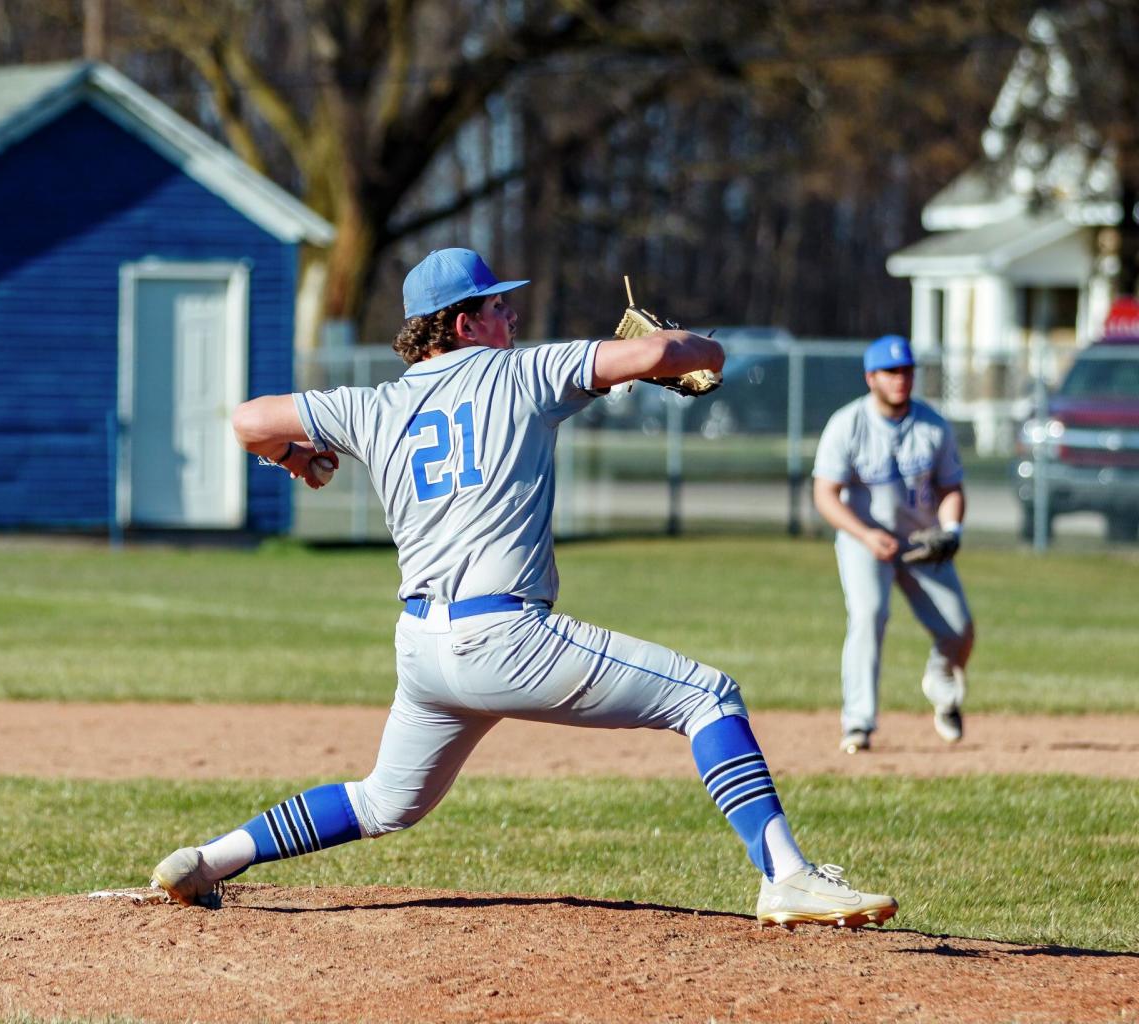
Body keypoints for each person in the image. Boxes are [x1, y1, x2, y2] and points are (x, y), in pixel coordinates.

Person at [150, 247, 897, 930]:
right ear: (463, 323)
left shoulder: (372, 406)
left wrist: (294, 457)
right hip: (505, 638)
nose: (511, 317)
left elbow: (248, 420)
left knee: (385, 801)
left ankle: (211, 859)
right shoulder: (521, 373)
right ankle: (788, 876)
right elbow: (660, 353)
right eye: (498, 306)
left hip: (423, 650)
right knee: (708, 696)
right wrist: (707, 348)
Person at [812, 335, 975, 754]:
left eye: (906, 371)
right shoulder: (848, 424)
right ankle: (858, 723)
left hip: (921, 541)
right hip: (865, 539)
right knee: (869, 615)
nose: (900, 378)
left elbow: (951, 488)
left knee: (959, 631)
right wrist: (865, 534)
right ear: (871, 377)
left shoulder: (933, 426)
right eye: (890, 371)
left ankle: (942, 685)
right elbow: (825, 495)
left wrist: (951, 530)